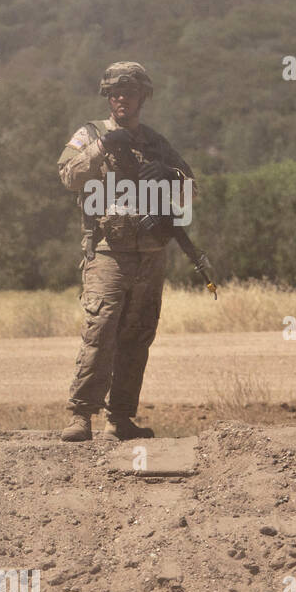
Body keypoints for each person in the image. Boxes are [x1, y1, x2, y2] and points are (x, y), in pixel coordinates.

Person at [57, 61, 195, 442]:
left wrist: (170, 176)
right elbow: (68, 175)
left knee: (137, 335)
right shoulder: (90, 134)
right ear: (107, 97)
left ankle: (120, 418)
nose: (121, 99)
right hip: (108, 253)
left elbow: (191, 189)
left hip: (150, 254)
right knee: (100, 330)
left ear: (142, 97)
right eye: (115, 93)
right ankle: (81, 415)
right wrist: (101, 148)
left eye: (129, 92)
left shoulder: (155, 142)